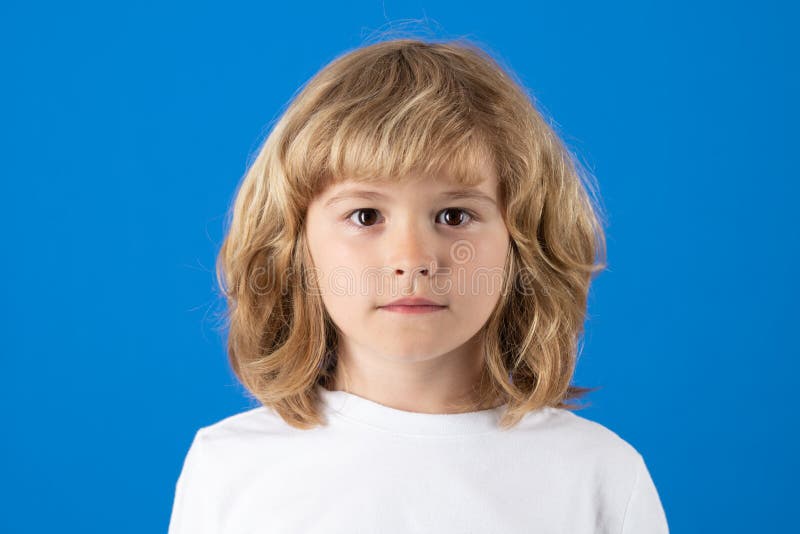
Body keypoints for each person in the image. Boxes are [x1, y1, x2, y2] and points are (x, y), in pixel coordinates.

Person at [167, 36, 669, 533]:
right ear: (295, 245)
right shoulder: (228, 470)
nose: (411, 260)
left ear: (522, 243)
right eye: (365, 215)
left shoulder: (598, 477)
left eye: (454, 215)